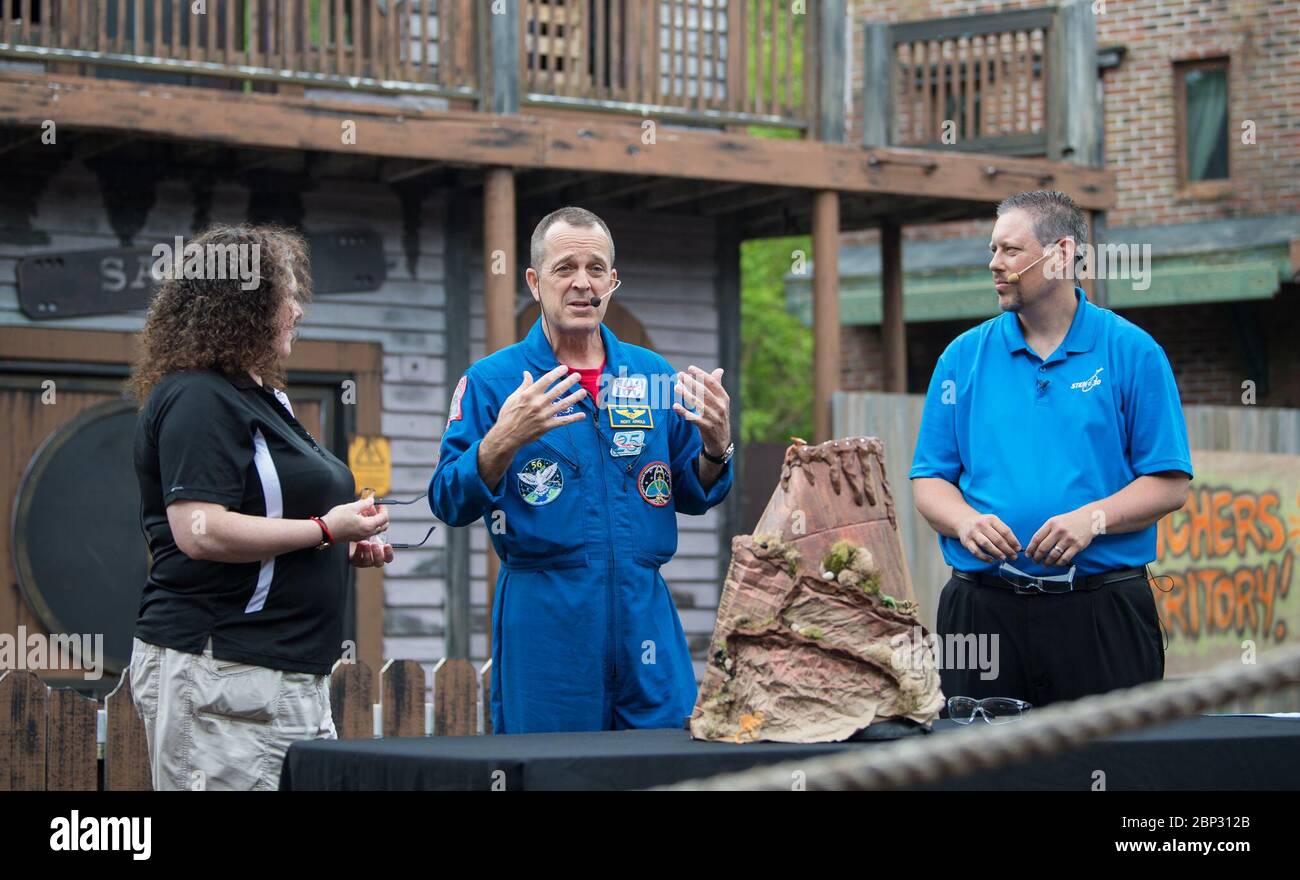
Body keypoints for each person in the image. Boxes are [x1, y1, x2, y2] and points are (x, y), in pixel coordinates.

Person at [429, 206, 734, 733]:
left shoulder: (652, 375)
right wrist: (502, 439)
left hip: (646, 617)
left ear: (613, 281)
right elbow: (447, 499)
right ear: (534, 281)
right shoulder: (494, 381)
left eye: (596, 269)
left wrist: (717, 446)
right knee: (549, 772)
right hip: (547, 620)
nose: (581, 283)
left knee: (672, 766)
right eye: (564, 268)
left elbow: (692, 490)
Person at [126, 224, 392, 790]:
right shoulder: (198, 396)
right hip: (224, 672)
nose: (297, 309)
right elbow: (200, 531)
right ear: (241, 306)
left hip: (283, 677)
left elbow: (272, 524)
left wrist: (339, 546)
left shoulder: (262, 398)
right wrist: (325, 528)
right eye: (285, 295)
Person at [909, 190, 1193, 707]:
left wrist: (1093, 519)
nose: (994, 264)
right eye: (993, 250)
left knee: (1114, 769)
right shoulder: (960, 358)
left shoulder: (1132, 351)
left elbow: (1169, 484)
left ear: (1062, 254)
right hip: (980, 614)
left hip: (1101, 611)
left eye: (1011, 251)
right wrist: (965, 522)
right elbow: (929, 480)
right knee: (973, 774)